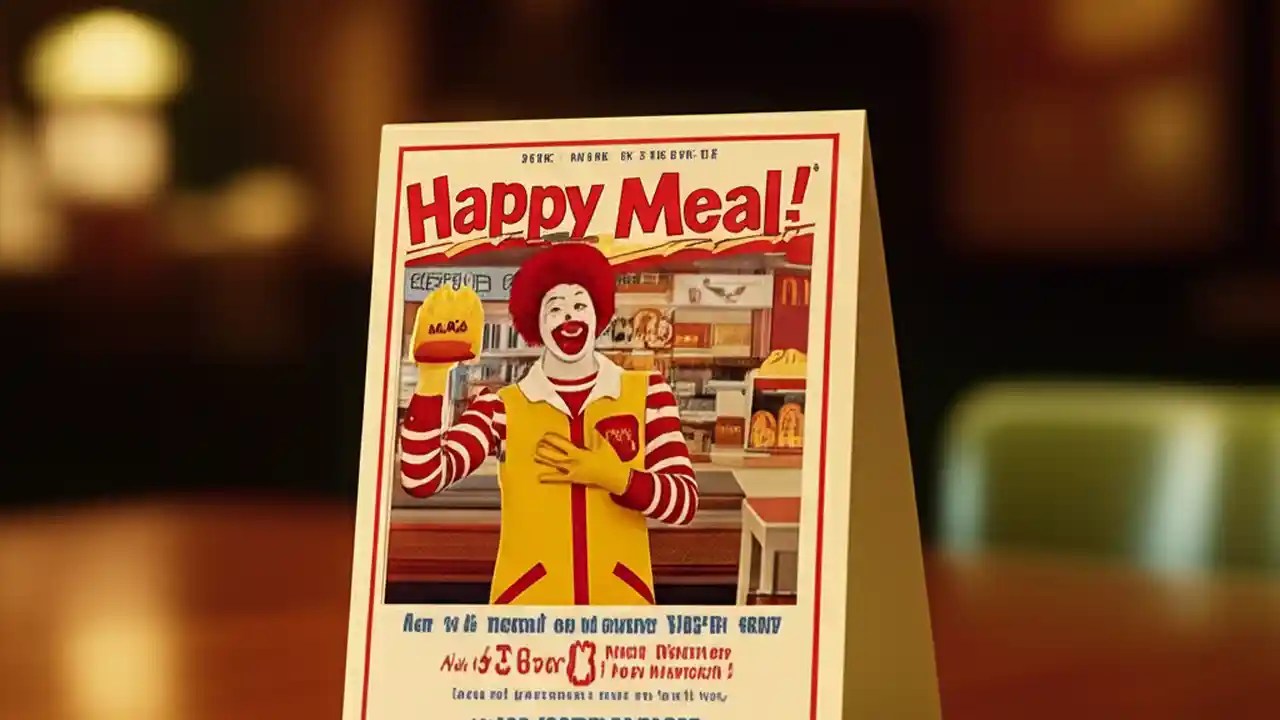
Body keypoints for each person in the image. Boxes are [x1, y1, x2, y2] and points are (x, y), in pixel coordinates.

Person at [399, 243, 698, 605]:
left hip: (622, 612)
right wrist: (430, 379)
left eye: (579, 305)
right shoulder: (500, 407)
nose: (568, 318)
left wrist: (616, 477)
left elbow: (683, 503)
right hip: (526, 614)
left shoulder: (648, 392)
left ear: (598, 314)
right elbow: (422, 476)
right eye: (554, 308)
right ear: (536, 323)